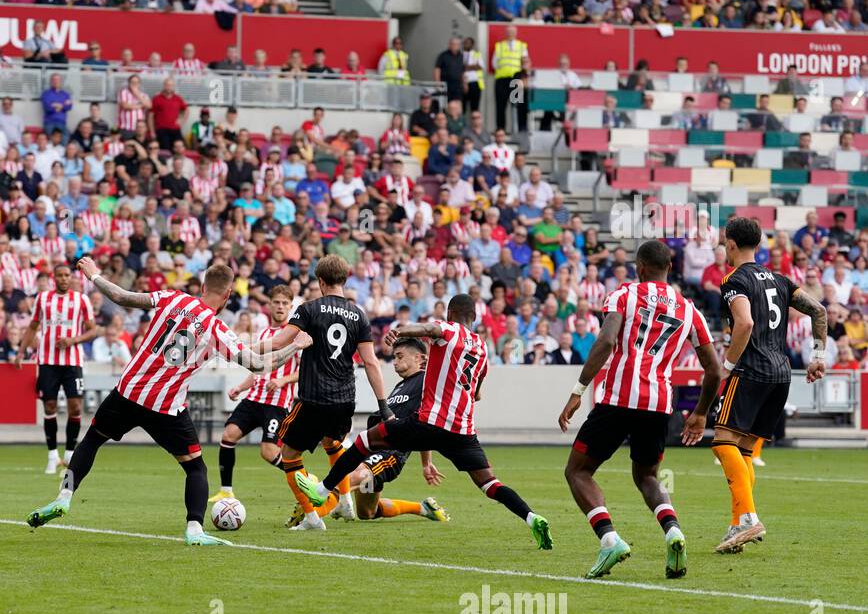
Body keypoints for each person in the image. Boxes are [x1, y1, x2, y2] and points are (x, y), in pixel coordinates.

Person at [26, 259, 309, 545]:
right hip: (165, 406)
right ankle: (195, 529)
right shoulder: (216, 329)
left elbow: (121, 296)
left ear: (201, 287)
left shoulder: (171, 297)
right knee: (195, 468)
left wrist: (94, 275)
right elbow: (257, 365)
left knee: (91, 441)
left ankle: (64, 496)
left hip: (127, 392)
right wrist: (296, 346)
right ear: (227, 296)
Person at [299, 294, 554, 551]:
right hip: (462, 431)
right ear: (474, 317)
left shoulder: (450, 329)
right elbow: (477, 393)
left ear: (451, 315)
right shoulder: (482, 347)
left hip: (431, 421)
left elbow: (430, 329)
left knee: (366, 440)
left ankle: (321, 491)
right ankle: (532, 517)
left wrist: (400, 330)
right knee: (489, 483)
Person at [557, 240, 722, 581]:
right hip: (658, 404)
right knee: (647, 476)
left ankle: (609, 539)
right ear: (670, 269)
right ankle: (673, 531)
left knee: (578, 471)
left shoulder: (623, 295)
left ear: (640, 267)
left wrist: (578, 390)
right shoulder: (689, 309)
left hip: (618, 399)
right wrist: (701, 413)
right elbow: (715, 370)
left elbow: (604, 341)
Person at [709, 217, 827, 553]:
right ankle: (737, 526)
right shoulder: (780, 279)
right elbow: (818, 310)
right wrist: (818, 356)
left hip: (751, 371)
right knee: (744, 449)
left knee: (721, 442)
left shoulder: (734, 279)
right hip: (781, 373)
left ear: (731, 244)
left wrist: (727, 366)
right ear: (757, 244)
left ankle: (747, 517)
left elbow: (744, 323)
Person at [256, 254, 391, 531]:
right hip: (345, 400)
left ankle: (312, 518)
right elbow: (371, 362)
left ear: (320, 281)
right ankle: (344, 501)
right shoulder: (359, 315)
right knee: (333, 445)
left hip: (315, 398)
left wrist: (239, 347)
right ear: (345, 279)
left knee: (290, 454)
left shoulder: (309, 309)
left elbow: (280, 340)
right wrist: (383, 404)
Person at [335, 336, 450, 523]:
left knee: (353, 478)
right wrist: (425, 464)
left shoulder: (426, 382)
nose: (395, 362)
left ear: (419, 358)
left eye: (399, 356)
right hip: (373, 448)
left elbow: (426, 422)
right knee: (367, 512)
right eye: (394, 357)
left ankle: (312, 502)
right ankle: (422, 508)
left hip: (391, 452)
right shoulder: (400, 386)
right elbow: (420, 424)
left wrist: (426, 462)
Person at [213, 284, 300, 501]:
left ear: (290, 307)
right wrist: (240, 387)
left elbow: (305, 371)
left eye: (284, 303)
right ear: (269, 305)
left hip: (277, 403)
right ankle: (226, 491)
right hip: (253, 399)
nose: (280, 306)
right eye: (276, 302)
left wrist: (282, 380)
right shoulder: (263, 334)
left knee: (268, 452)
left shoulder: (294, 335)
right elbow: (257, 369)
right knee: (228, 435)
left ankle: (307, 481)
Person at [15, 263, 99, 474]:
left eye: (66, 275)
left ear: (71, 278)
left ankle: (70, 454)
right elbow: (33, 326)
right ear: (54, 278)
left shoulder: (82, 300)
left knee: (75, 407)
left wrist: (74, 340)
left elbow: (93, 330)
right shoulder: (42, 299)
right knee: (49, 407)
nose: (63, 279)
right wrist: (20, 351)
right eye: (59, 275)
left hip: (73, 362)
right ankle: (52, 455)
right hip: (47, 361)